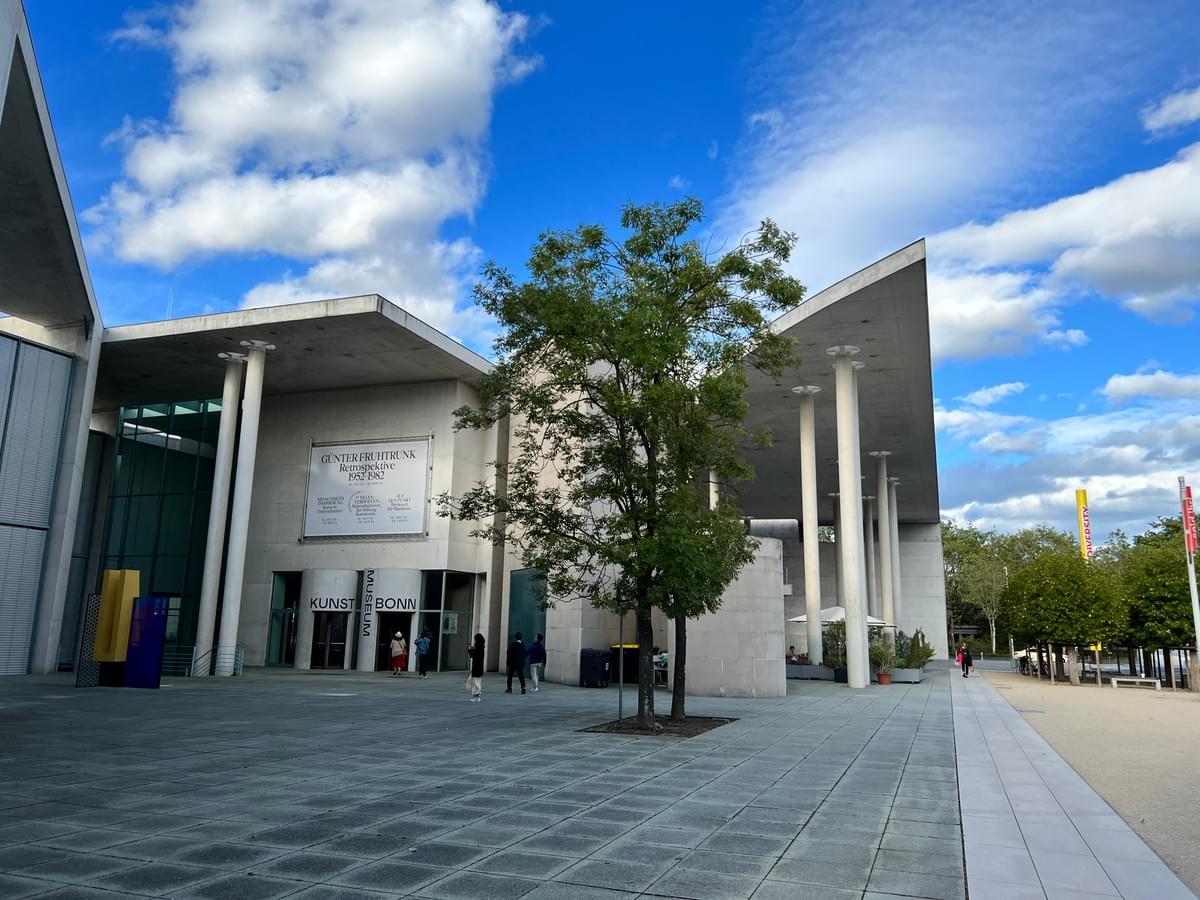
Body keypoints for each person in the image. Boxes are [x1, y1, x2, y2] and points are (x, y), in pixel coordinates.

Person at [466, 633, 486, 702]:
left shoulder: (478, 647)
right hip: (479, 667)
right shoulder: (481, 647)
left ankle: (476, 697)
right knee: (477, 682)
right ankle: (477, 696)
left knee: (475, 682)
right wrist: (472, 649)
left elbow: (473, 656)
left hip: (476, 667)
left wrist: (470, 650)